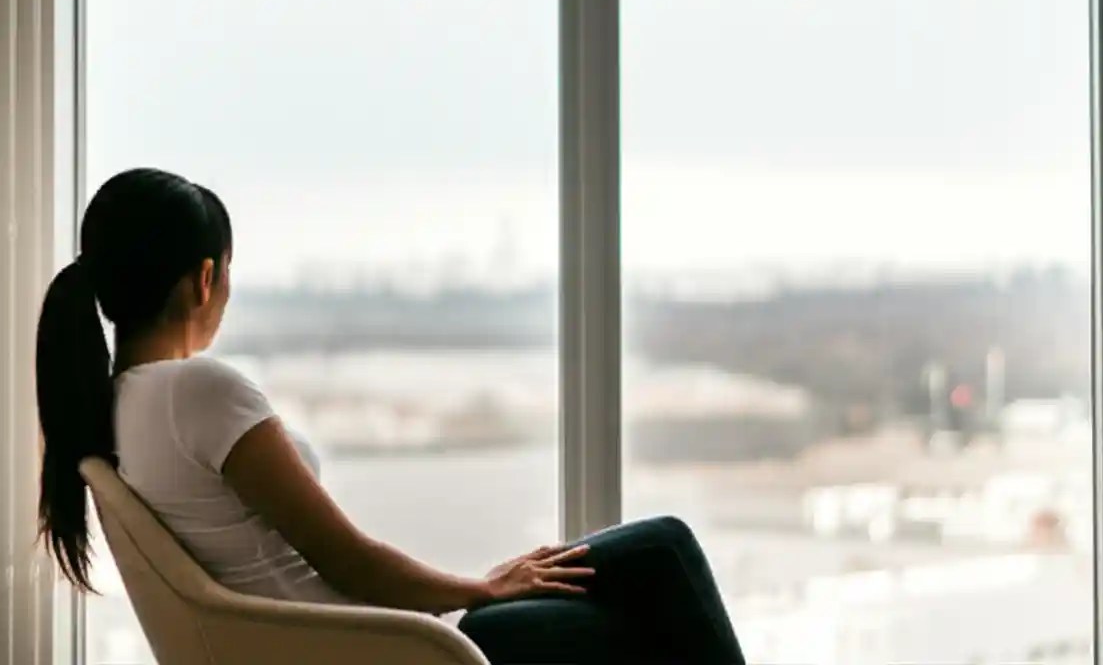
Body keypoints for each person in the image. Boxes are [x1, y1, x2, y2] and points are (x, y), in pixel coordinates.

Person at [35, 168, 745, 665]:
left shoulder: (116, 406)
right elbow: (350, 562)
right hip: (389, 652)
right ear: (205, 279)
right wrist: (481, 586)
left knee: (646, 574)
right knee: (662, 559)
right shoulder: (201, 393)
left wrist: (479, 589)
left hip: (371, 644)